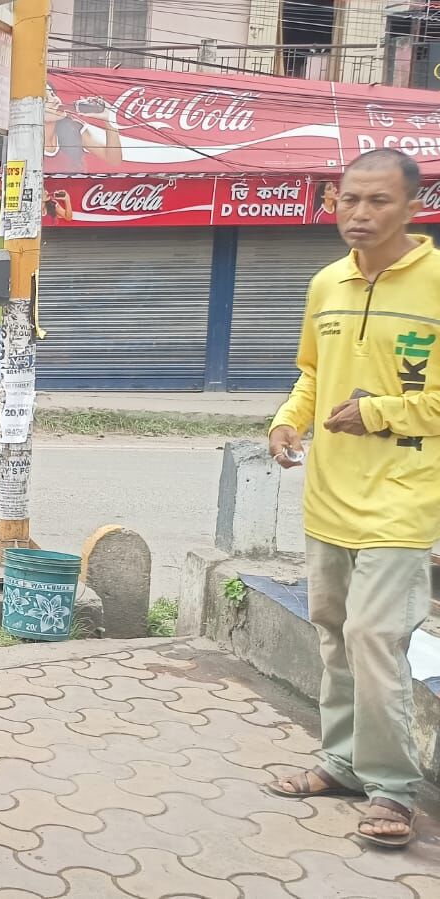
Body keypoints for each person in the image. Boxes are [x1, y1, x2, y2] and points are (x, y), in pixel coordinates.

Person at [265, 148, 440, 850]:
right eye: (347, 200)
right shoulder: (324, 284)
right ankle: (339, 761)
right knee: (333, 632)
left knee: (374, 638)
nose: (358, 215)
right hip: (327, 499)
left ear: (412, 205)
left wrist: (377, 413)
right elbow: (311, 373)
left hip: (400, 500)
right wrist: (286, 419)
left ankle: (391, 790)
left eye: (377, 202)